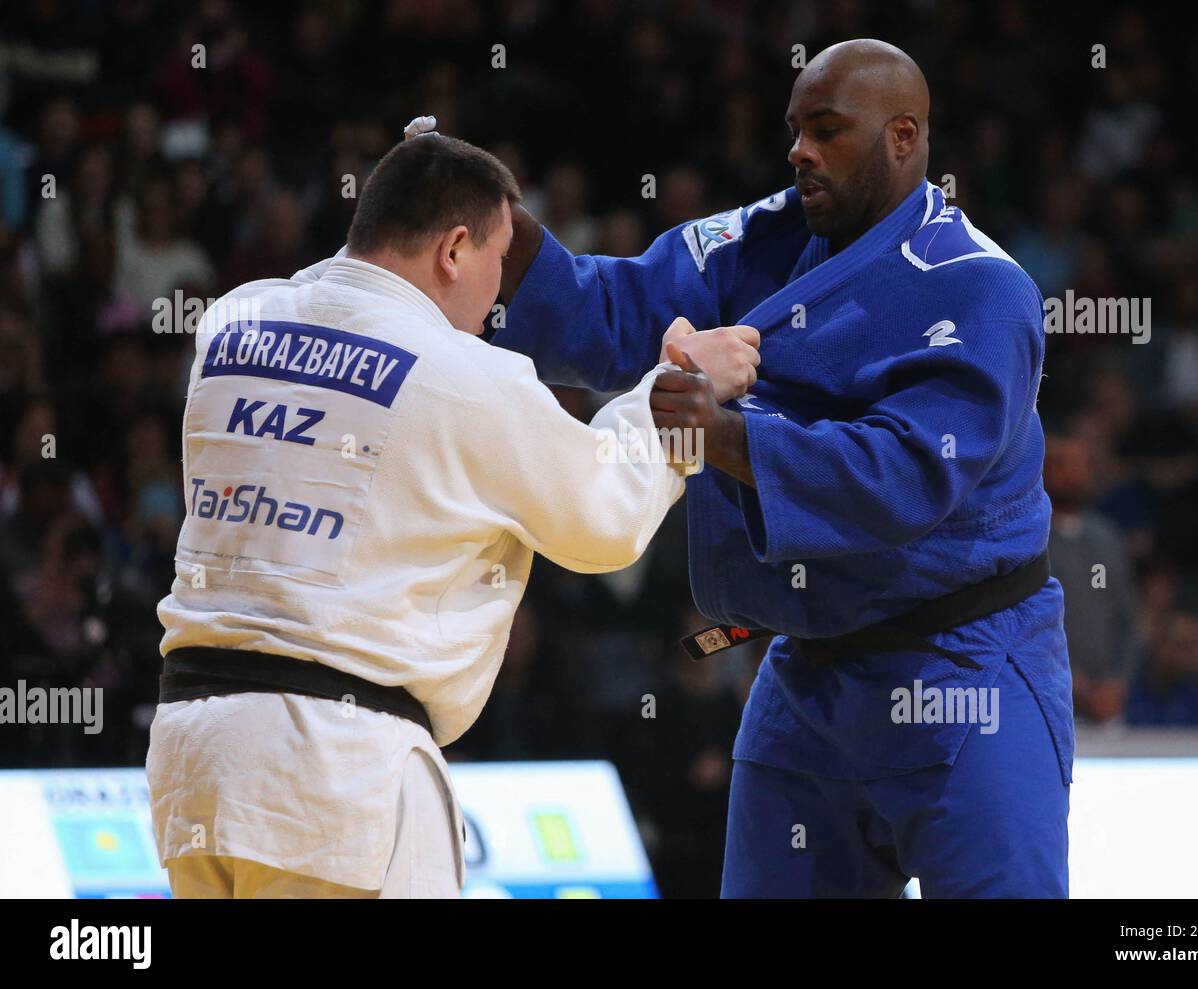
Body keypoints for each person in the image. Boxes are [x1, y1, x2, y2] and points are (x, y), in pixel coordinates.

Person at [482, 39, 1074, 897]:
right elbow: (608, 313)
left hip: (966, 668)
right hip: (807, 674)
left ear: (904, 136)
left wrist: (723, 436)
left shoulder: (981, 287)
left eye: (827, 131)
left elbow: (906, 474)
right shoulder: (759, 237)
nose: (800, 151)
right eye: (796, 131)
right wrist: (506, 227)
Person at [145, 133, 731, 898]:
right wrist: (672, 395)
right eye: (497, 271)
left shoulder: (232, 321)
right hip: (340, 769)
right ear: (454, 249)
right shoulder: (460, 372)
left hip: (196, 757)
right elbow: (602, 520)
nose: (495, 306)